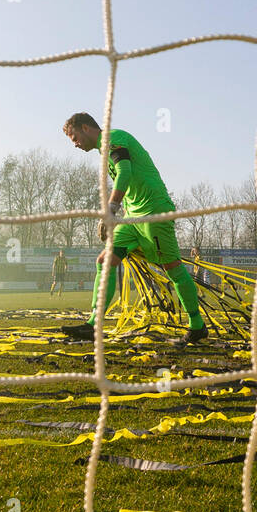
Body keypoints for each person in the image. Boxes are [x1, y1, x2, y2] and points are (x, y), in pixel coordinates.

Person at [60, 114, 206, 345]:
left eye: (75, 138)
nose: (75, 144)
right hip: (133, 218)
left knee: (173, 269)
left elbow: (125, 173)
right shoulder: (103, 150)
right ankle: (94, 325)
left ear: (86, 128)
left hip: (153, 212)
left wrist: (111, 210)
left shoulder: (113, 138)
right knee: (105, 261)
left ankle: (197, 326)